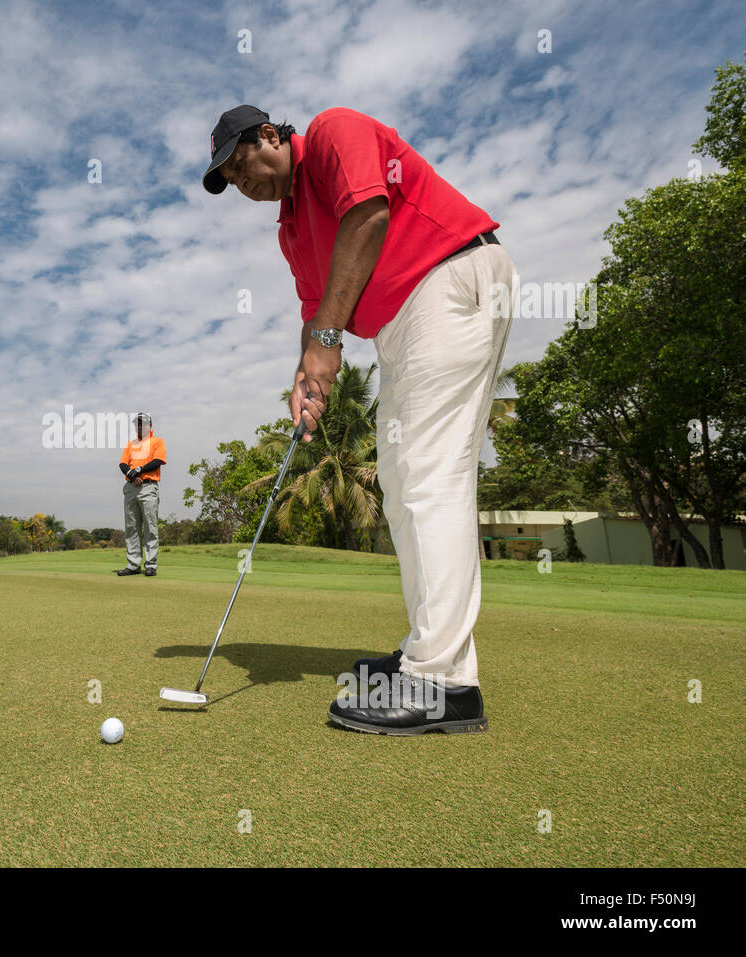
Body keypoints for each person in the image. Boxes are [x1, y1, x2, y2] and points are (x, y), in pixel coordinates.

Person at [202, 105, 515, 735]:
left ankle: (445, 684)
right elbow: (318, 308)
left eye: (242, 164)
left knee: (429, 478)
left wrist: (325, 338)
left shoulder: (332, 131)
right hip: (402, 323)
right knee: (403, 485)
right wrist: (306, 377)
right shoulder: (290, 230)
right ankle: (430, 650)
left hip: (448, 278)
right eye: (232, 180)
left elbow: (368, 215)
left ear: (270, 135)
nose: (243, 182)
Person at [115, 412, 166, 577]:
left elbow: (158, 461)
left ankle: (151, 565)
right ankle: (133, 564)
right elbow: (123, 463)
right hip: (131, 487)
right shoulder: (130, 444)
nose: (139, 426)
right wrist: (132, 474)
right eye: (136, 423)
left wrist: (140, 470)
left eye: (142, 423)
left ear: (149, 425)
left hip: (148, 487)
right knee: (131, 528)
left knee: (150, 527)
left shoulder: (157, 442)